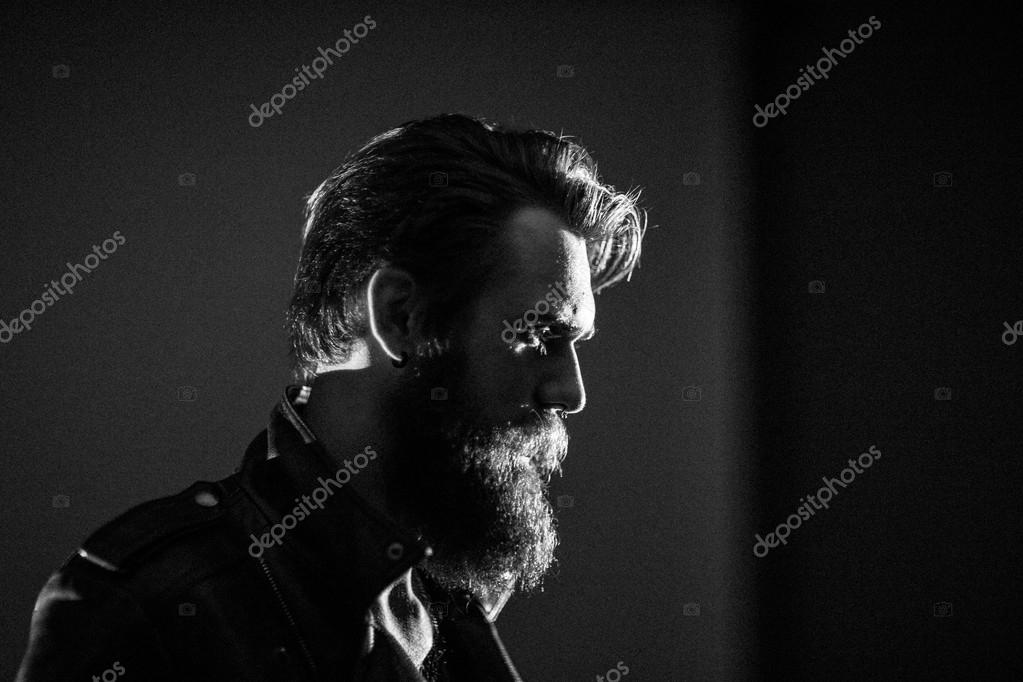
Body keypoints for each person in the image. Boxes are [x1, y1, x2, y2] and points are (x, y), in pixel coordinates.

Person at [15, 113, 647, 681]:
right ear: (402, 317)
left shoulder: (444, 596)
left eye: (577, 343)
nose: (571, 392)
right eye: (539, 333)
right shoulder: (150, 605)